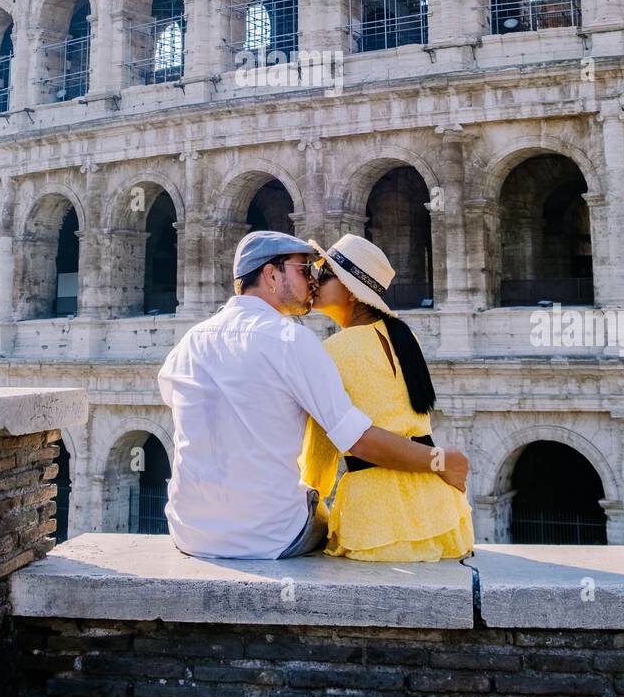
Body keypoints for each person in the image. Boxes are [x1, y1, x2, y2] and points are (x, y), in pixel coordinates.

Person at [157, 230, 470, 560]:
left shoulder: (187, 344)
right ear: (272, 274)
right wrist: (440, 461)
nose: (312, 280)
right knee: (320, 511)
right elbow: (356, 440)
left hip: (188, 531)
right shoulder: (294, 341)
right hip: (270, 537)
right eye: (304, 269)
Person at [300, 233, 475, 562]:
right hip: (438, 509)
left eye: (325, 273)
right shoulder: (406, 336)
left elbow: (320, 449)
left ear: (352, 292)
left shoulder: (333, 351)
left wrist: (313, 495)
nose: (315, 278)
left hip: (377, 515)